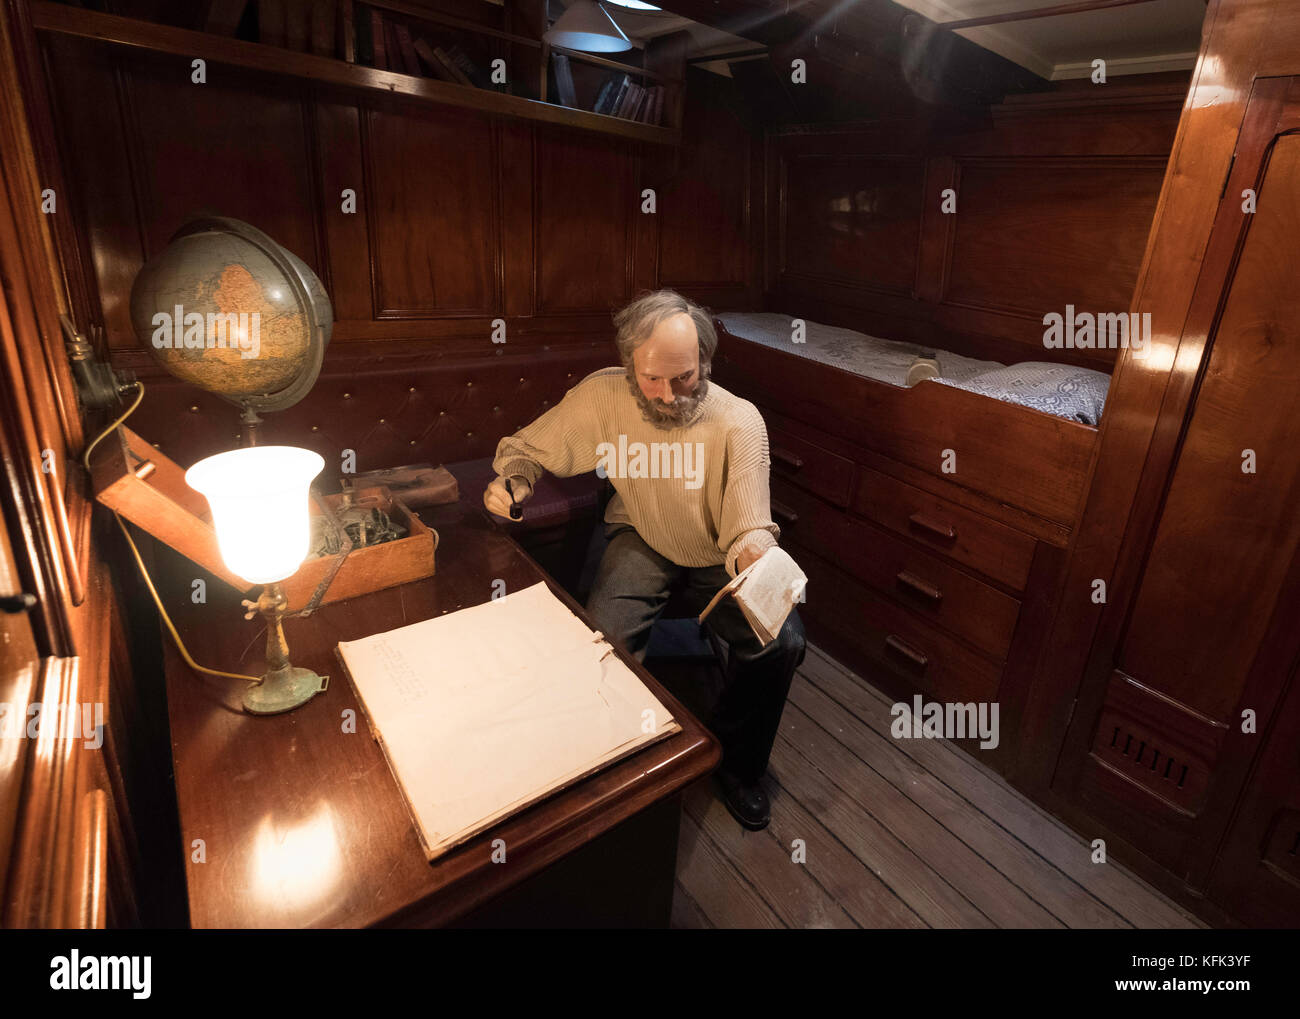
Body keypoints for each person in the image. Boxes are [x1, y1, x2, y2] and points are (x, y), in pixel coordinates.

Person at [483, 289, 805, 830]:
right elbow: (527, 447)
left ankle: (736, 761)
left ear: (705, 360)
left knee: (783, 644)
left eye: (684, 378)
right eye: (651, 379)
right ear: (631, 363)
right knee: (603, 638)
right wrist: (514, 479)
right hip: (643, 534)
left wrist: (759, 556)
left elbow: (748, 524)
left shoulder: (739, 421)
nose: (667, 395)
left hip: (717, 554)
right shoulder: (604, 395)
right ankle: (611, 764)